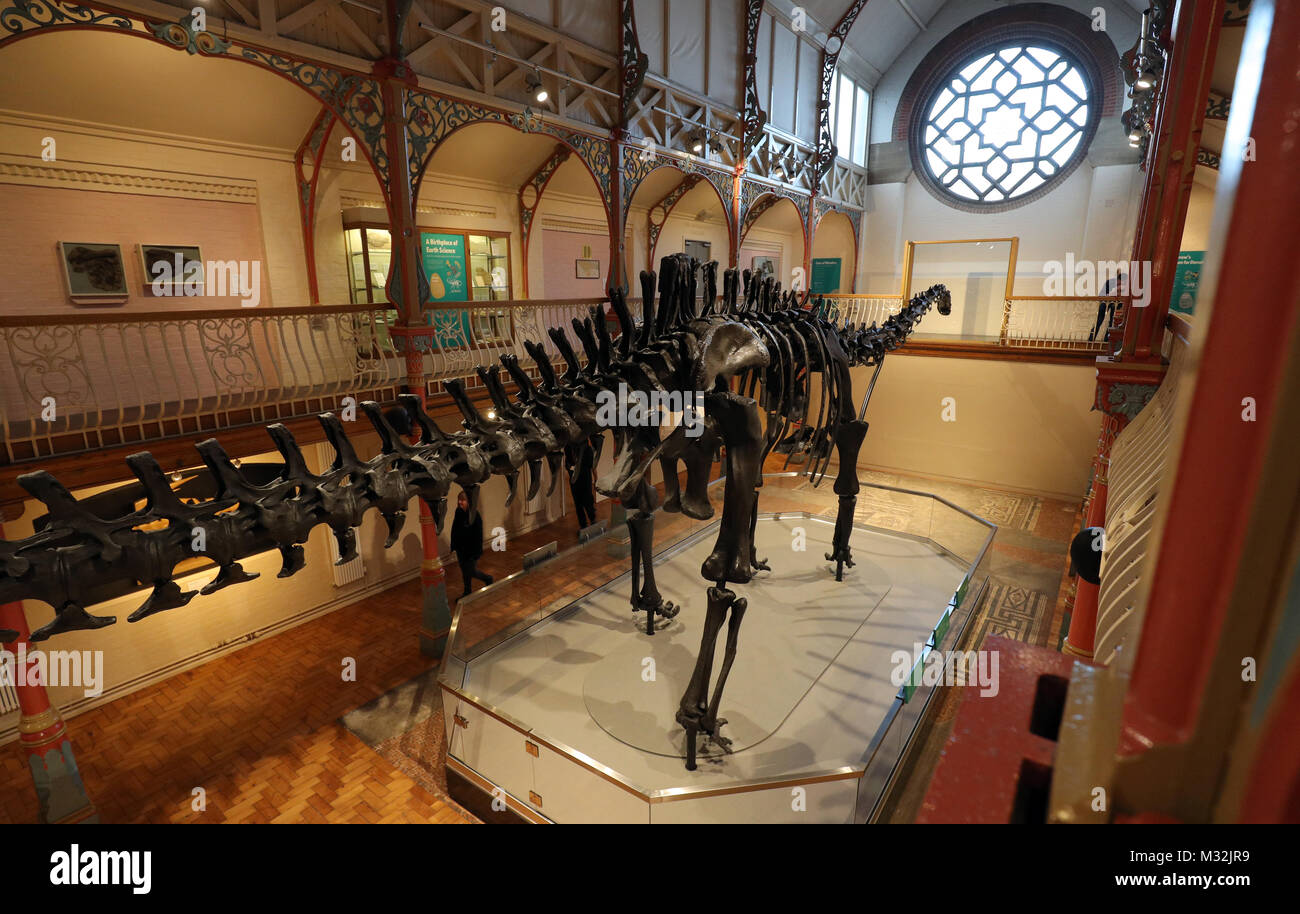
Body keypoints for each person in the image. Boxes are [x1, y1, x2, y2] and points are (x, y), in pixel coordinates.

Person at [450, 491, 492, 599]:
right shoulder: (458, 512)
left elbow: (478, 536)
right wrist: (453, 545)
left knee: (471, 571)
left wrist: (477, 552)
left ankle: (487, 578)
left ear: (469, 502)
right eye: (459, 499)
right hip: (461, 549)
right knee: (464, 571)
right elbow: (454, 529)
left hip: (471, 550)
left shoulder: (475, 516)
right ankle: (467, 591)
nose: (460, 502)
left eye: (463, 500)